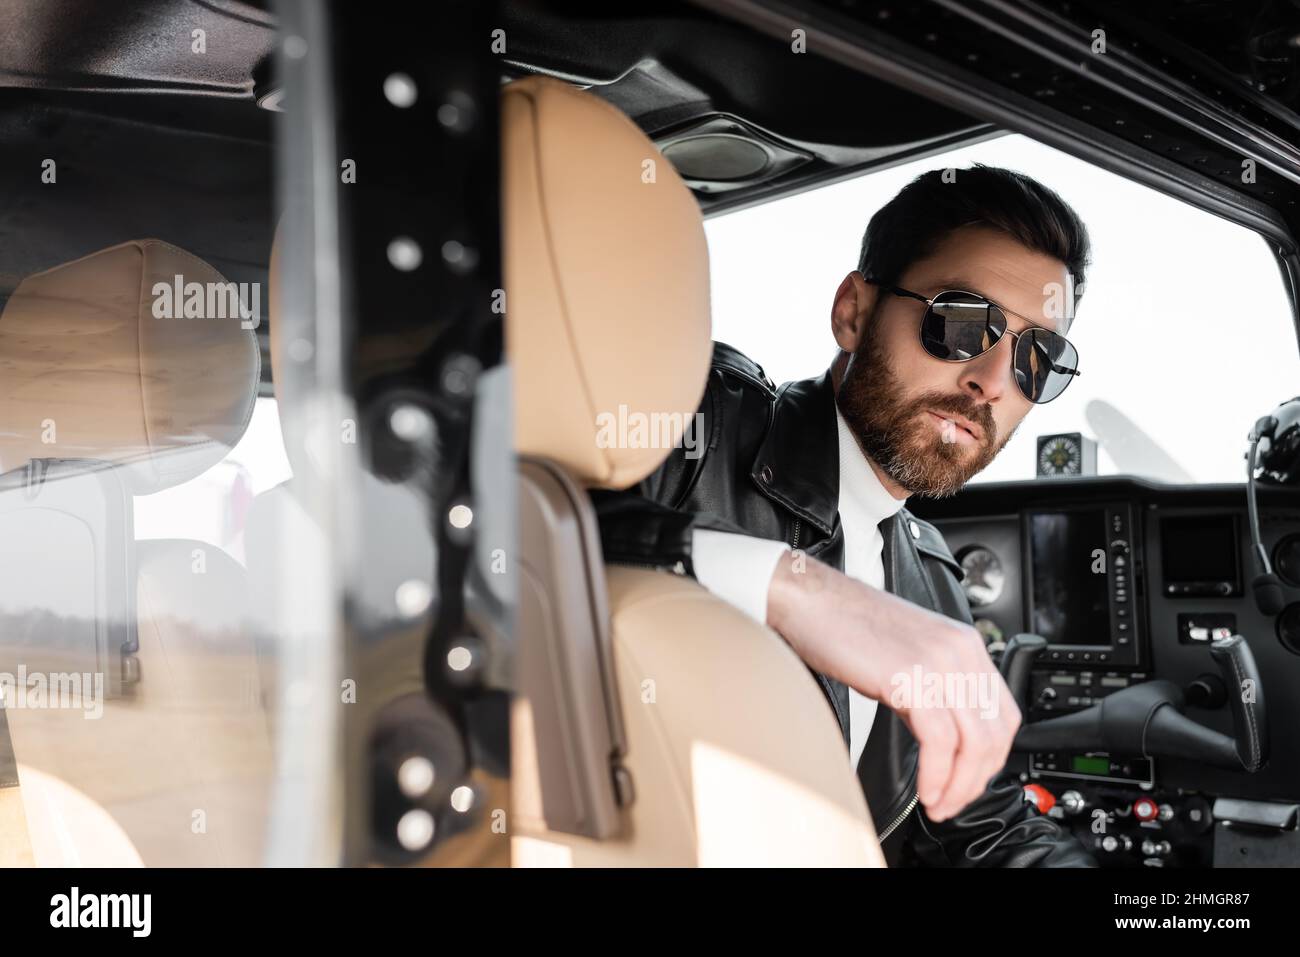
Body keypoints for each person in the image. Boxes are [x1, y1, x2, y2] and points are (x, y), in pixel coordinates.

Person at [595, 165, 1096, 866]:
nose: (990, 380)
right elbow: (506, 528)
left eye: (1036, 358)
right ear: (852, 313)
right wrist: (792, 586)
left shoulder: (933, 582)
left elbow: (988, 829)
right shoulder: (689, 424)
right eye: (960, 322)